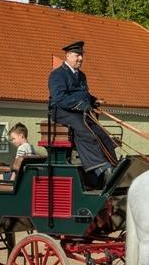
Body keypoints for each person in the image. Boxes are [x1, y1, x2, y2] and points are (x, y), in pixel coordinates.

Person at [47, 40, 118, 189]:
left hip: (80, 112)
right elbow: (59, 98)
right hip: (62, 111)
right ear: (67, 56)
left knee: (102, 133)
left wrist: (94, 100)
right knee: (86, 131)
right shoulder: (57, 75)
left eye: (81, 55)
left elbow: (84, 94)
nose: (80, 58)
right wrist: (81, 105)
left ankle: (114, 166)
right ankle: (101, 168)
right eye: (77, 55)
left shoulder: (82, 75)